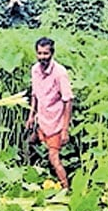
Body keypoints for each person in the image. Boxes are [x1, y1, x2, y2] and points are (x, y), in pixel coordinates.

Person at [25, 37, 74, 190]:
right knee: (29, 143)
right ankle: (34, 176)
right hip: (41, 119)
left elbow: (68, 100)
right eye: (39, 53)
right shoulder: (35, 70)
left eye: (45, 54)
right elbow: (35, 95)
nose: (42, 57)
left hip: (55, 121)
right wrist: (31, 116)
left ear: (52, 53)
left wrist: (65, 129)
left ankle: (66, 190)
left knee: (54, 158)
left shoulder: (60, 73)